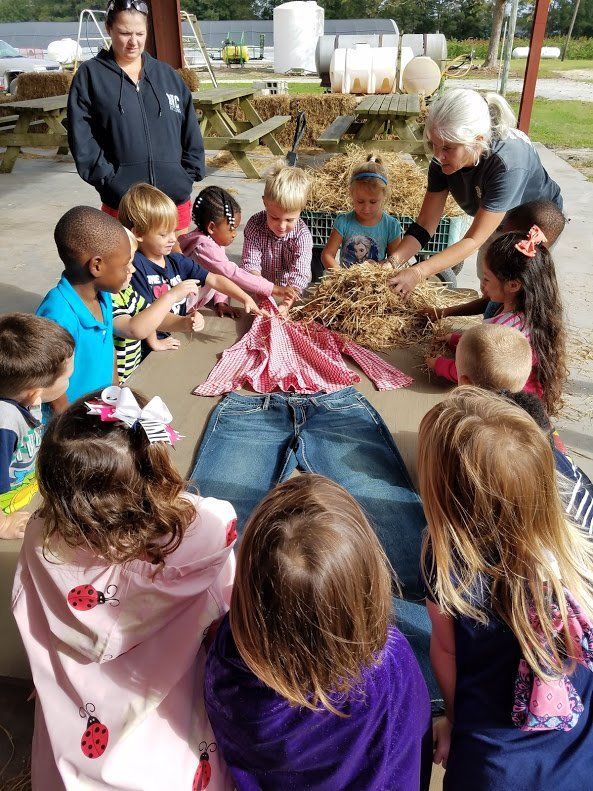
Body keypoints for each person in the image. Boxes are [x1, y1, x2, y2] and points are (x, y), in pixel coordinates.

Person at [12, 386, 236, 791]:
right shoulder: (207, 530)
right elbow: (228, 616)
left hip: (74, 742)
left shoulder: (41, 537)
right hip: (168, 747)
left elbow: (30, 610)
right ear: (156, 462)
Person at [205, 475, 432, 791]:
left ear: (250, 593)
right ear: (368, 586)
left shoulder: (229, 670)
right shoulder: (389, 663)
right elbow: (411, 742)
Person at [419, 387, 593, 790]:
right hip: (578, 748)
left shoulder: (444, 557)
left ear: (445, 494)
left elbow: (445, 650)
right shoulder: (574, 541)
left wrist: (453, 719)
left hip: (494, 765)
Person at [389, 89, 563, 298]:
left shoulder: (507, 163)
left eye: (447, 148)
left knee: (514, 290)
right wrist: (392, 263)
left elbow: (474, 239)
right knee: (489, 284)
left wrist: (418, 272)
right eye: (434, 144)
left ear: (476, 140)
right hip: (496, 219)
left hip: (534, 223)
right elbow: (426, 224)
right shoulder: (442, 160)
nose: (438, 155)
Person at [67, 0, 204, 235]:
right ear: (109, 29)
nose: (133, 41)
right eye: (124, 33)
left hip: (172, 202)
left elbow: (190, 129)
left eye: (140, 33)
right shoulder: (90, 75)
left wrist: (185, 176)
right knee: (124, 259)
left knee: (176, 258)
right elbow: (81, 135)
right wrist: (110, 182)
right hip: (123, 204)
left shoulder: (167, 76)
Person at [455, 323, 593, 533]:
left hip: (550, 535)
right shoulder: (536, 418)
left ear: (464, 384)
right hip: (582, 507)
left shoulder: (487, 446)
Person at [427, 225, 567, 416]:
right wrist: (455, 339)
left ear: (513, 285)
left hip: (506, 407)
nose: (482, 286)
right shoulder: (526, 313)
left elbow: (477, 372)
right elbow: (485, 346)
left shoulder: (506, 329)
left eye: (486, 279)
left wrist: (438, 365)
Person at [118, 184, 264, 338]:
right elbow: (147, 316)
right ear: (139, 234)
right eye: (163, 234)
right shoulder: (135, 268)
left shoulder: (176, 260)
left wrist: (245, 298)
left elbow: (215, 279)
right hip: (151, 341)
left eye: (173, 231)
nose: (173, 239)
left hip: (172, 331)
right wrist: (183, 323)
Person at [425, 200, 567, 322]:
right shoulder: (512, 289)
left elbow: (490, 342)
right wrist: (444, 312)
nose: (483, 286)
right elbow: (488, 301)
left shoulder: (515, 324)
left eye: (487, 279)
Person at [0, 314, 74, 539]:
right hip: (8, 509)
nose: (69, 381)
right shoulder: (5, 424)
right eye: (67, 378)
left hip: (27, 493)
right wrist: (3, 525)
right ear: (35, 393)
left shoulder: (24, 398)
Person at [180, 186, 300, 318]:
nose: (234, 234)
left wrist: (221, 301)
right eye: (231, 228)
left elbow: (219, 273)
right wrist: (274, 289)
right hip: (180, 304)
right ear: (212, 227)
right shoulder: (204, 247)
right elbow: (232, 273)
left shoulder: (210, 240)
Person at [113, 228, 204, 382]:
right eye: (126, 264)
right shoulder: (107, 300)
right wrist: (172, 296)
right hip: (115, 384)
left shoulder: (126, 291)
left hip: (132, 374)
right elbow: (134, 329)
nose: (133, 269)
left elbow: (147, 315)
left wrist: (186, 322)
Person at [241, 164, 313, 313]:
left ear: (301, 209)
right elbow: (250, 264)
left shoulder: (302, 235)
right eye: (274, 217)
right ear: (265, 203)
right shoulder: (255, 225)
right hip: (260, 286)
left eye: (290, 220)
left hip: (290, 291)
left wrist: (285, 305)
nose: (281, 226)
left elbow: (300, 273)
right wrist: (263, 293)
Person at [322, 154, 402, 270]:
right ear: (351, 194)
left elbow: (395, 260)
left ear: (384, 196)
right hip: (346, 278)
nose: (366, 208)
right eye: (360, 201)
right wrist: (340, 274)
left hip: (376, 279)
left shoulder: (391, 226)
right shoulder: (343, 222)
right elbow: (327, 255)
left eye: (373, 202)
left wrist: (378, 267)